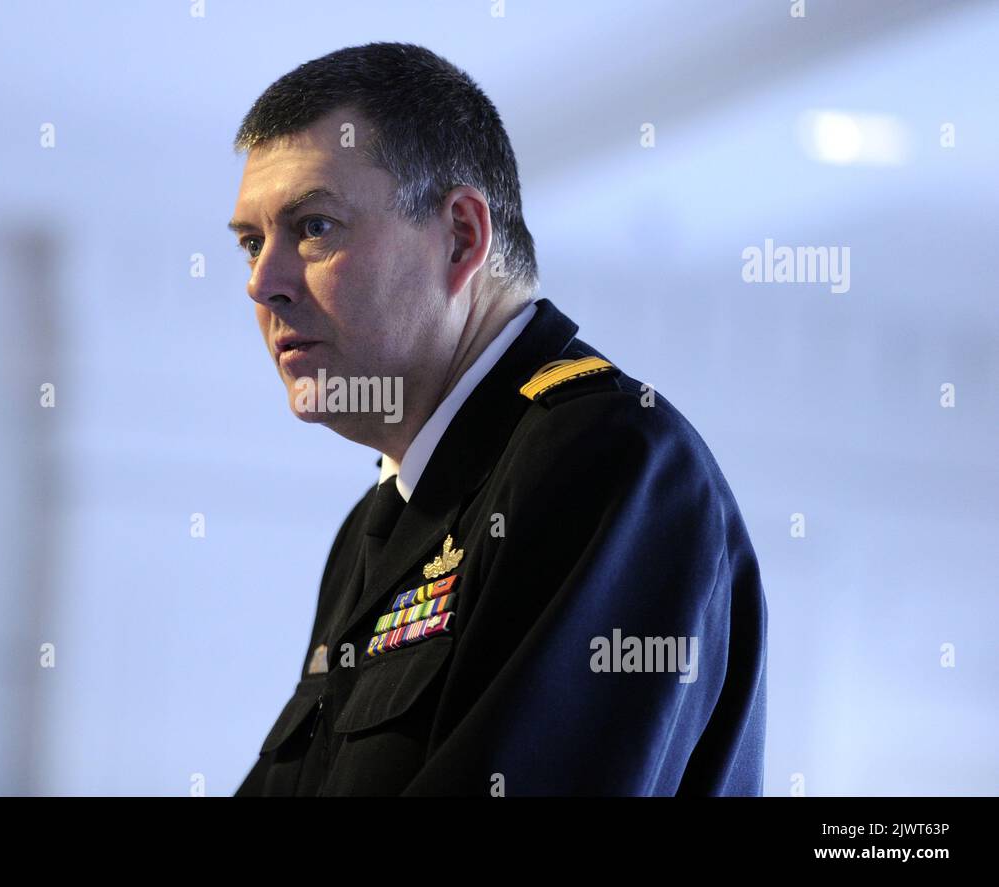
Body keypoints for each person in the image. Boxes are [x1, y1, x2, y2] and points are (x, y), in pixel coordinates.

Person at [226, 42, 766, 796]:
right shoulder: (372, 526)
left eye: (313, 227)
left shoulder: (608, 456)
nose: (262, 283)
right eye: (251, 242)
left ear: (461, 238)